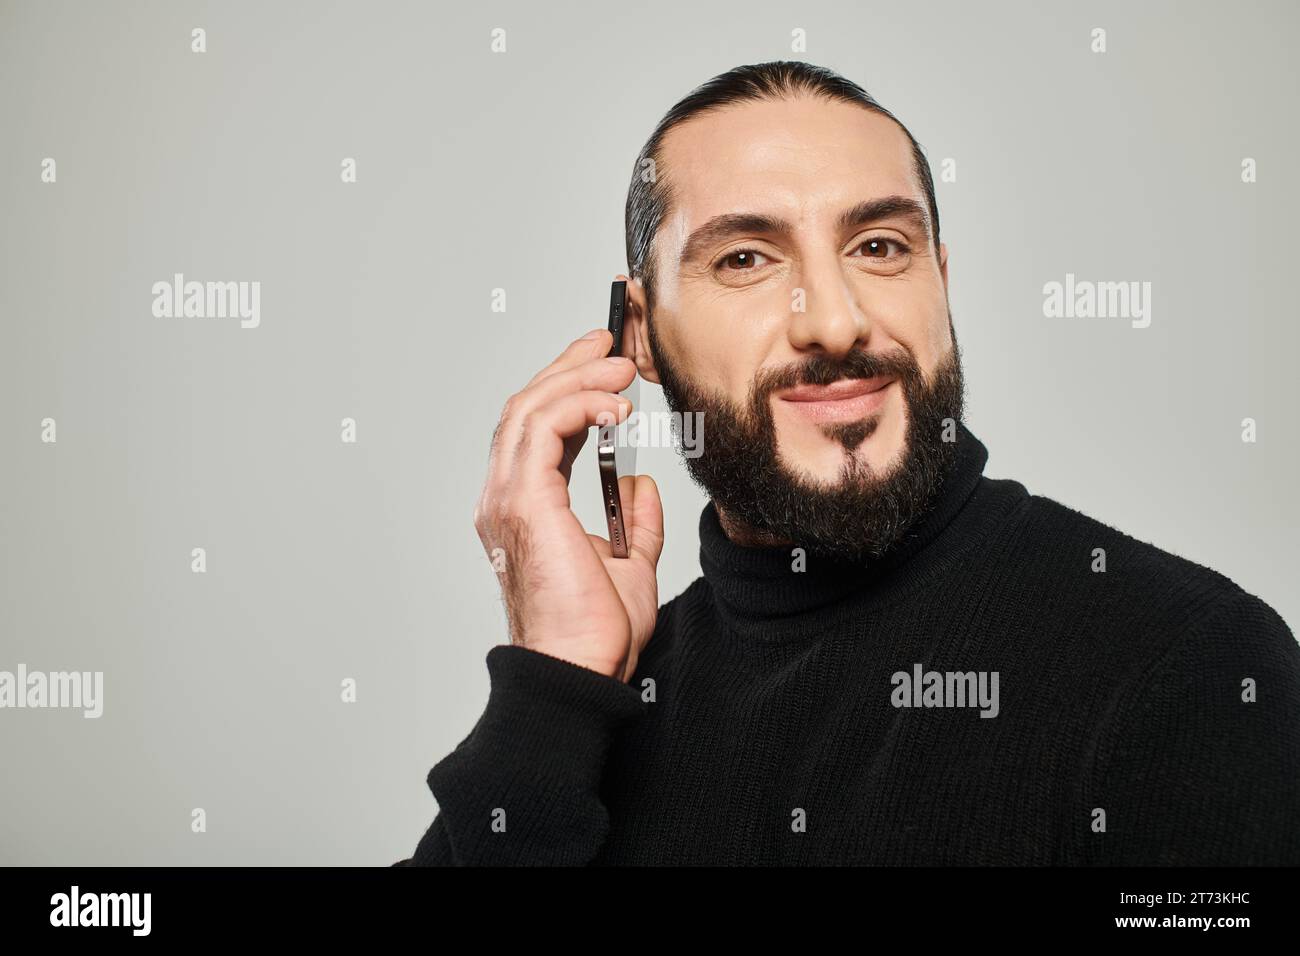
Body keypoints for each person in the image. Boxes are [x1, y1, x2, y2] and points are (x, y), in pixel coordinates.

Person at [395, 61, 1300, 866]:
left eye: (879, 248)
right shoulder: (586, 710)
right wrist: (556, 686)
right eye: (745, 258)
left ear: (942, 283)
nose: (834, 321)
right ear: (640, 335)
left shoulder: (1188, 663)